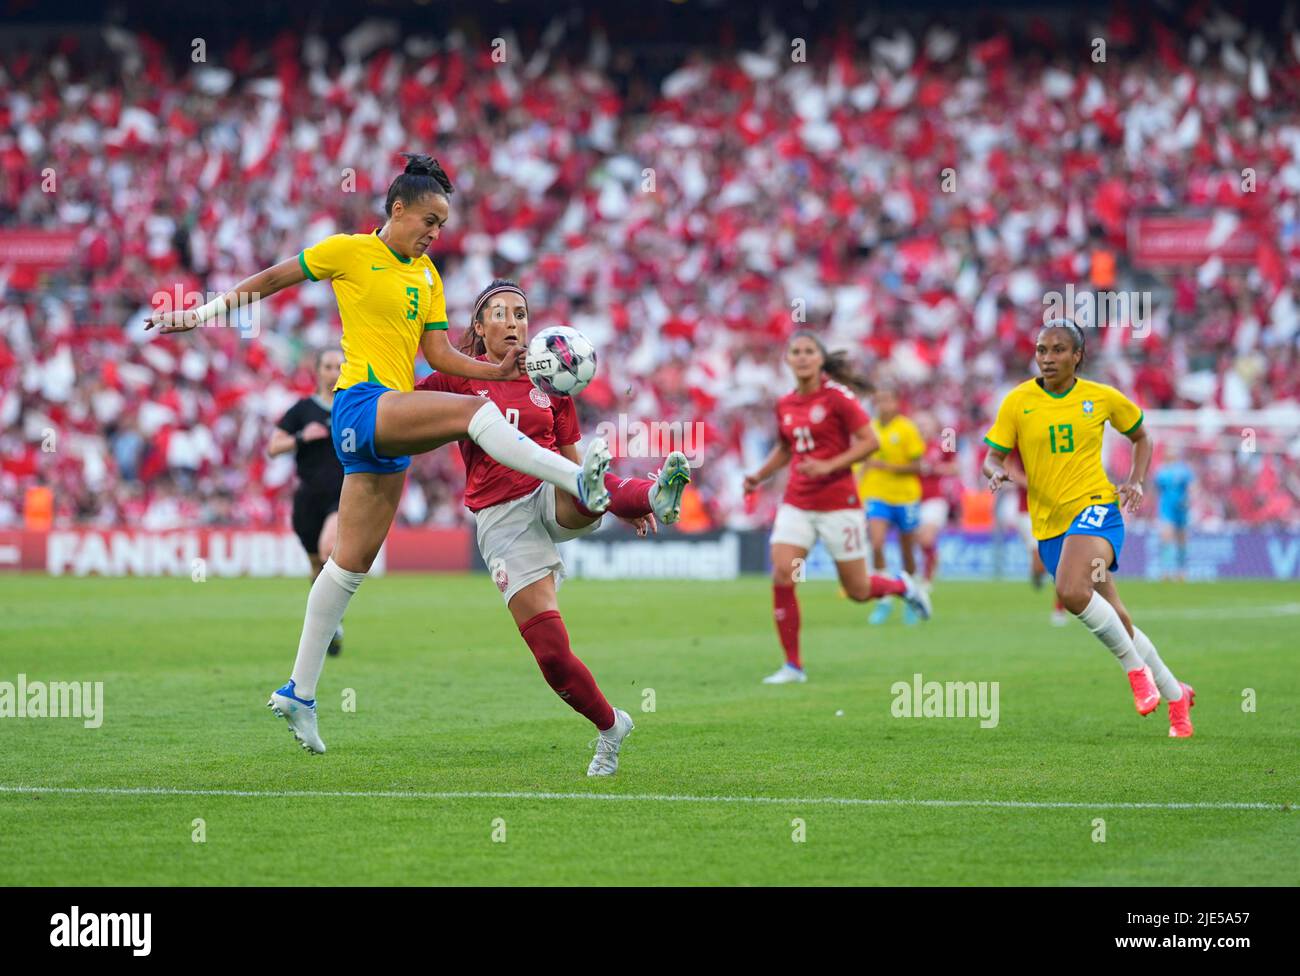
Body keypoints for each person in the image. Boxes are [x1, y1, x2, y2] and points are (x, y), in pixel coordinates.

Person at [147, 153, 614, 755]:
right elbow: (269, 280)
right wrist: (202, 314)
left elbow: (441, 358)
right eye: (429, 219)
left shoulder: (428, 277)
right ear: (397, 209)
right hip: (361, 404)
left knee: (348, 567)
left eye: (442, 225)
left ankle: (299, 692)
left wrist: (494, 368)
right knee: (476, 417)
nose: (435, 234)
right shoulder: (347, 251)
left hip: (389, 422)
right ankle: (579, 480)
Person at [416, 279, 691, 775]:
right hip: (502, 517)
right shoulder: (454, 379)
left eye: (520, 314)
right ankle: (611, 726)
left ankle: (652, 493)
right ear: (478, 327)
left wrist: (621, 504)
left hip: (552, 490)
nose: (513, 322)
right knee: (552, 655)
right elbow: (406, 423)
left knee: (584, 481)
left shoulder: (551, 382)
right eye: (499, 313)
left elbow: (573, 463)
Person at [981, 320, 1194, 737]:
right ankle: (1176, 693)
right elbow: (993, 456)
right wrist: (995, 473)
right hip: (1049, 524)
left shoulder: (1101, 397)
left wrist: (1134, 480)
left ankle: (1135, 674)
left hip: (1097, 508)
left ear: (1077, 355)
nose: (1047, 358)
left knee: (1070, 591)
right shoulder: (1018, 401)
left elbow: (1141, 437)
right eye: (1042, 350)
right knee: (1115, 614)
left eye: (1058, 350)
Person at [743, 331, 930, 685]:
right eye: (795, 351)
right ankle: (793, 666)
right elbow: (786, 449)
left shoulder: (839, 398)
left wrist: (830, 466)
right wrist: (759, 476)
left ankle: (902, 586)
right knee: (783, 572)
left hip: (838, 503)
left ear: (820, 359)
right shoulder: (784, 403)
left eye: (808, 351)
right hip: (798, 501)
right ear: (787, 360)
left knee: (858, 590)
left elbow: (869, 442)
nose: (801, 357)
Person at [267, 348, 346, 656]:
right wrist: (302, 437)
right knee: (316, 566)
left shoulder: (351, 406)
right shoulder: (302, 409)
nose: (334, 372)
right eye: (328, 366)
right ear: (318, 371)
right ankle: (331, 621)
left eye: (339, 366)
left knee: (328, 553)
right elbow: (274, 446)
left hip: (341, 496)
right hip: (308, 498)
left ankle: (330, 622)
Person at [858, 384, 926, 624]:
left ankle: (911, 596)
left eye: (888, 399)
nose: (883, 405)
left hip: (905, 497)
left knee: (907, 550)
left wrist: (888, 467)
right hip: (877, 495)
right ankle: (883, 599)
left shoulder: (907, 429)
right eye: (879, 400)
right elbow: (860, 463)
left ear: (897, 402)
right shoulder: (868, 429)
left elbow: (919, 466)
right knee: (876, 544)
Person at [1005, 449, 1068, 625]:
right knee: (1040, 564)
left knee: (1061, 561)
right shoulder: (1020, 437)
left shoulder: (1058, 435)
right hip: (1027, 510)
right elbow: (1007, 467)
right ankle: (1036, 574)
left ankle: (1059, 609)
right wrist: (1028, 482)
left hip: (1056, 508)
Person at [914, 412, 959, 592]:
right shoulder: (910, 446)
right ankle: (930, 563)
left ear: (934, 426)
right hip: (912, 498)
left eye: (926, 424)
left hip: (935, 498)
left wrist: (934, 468)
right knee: (919, 540)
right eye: (919, 424)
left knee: (926, 538)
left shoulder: (945, 442)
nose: (922, 427)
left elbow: (955, 468)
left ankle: (927, 580)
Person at [1153, 445, 1194, 581]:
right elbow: (1156, 490)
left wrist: (1188, 501)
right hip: (1166, 508)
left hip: (1181, 509)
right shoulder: (1161, 471)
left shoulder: (1184, 470)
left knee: (1182, 539)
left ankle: (1181, 571)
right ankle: (1165, 571)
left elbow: (1191, 487)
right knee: (1166, 537)